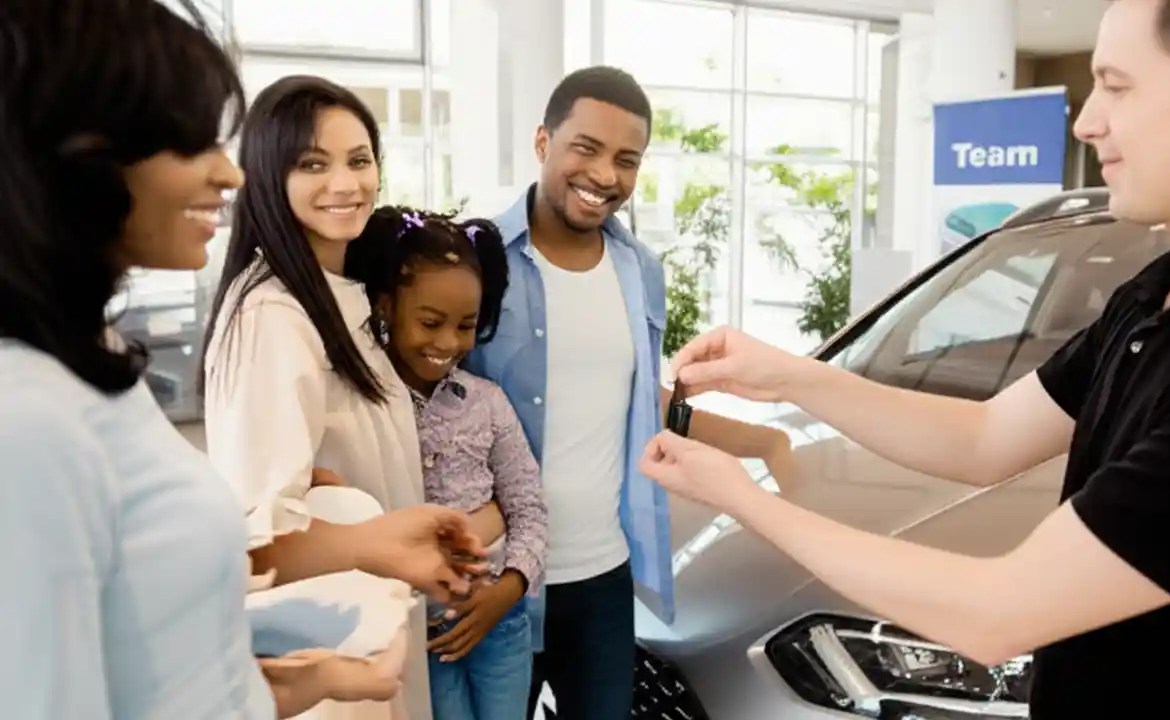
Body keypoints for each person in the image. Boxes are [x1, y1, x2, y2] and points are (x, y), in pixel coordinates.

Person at [641, 1, 1170, 718]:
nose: (1086, 120)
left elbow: (1003, 609)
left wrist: (743, 499)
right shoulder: (1150, 298)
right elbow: (983, 438)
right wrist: (792, 374)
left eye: (1118, 85)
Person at [0, 2, 484, 719]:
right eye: (189, 142)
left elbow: (162, 641)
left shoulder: (90, 368)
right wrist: (359, 538)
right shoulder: (31, 416)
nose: (229, 173)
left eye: (359, 159)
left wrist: (322, 658)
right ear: (73, 154)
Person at [464, 65, 796, 720]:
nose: (605, 177)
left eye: (626, 160)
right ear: (543, 143)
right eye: (585, 149)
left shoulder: (639, 269)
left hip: (602, 577)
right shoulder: (479, 260)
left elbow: (642, 398)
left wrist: (766, 441)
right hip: (497, 578)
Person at [201, 76, 501, 720]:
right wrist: (364, 528)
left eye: (359, 160)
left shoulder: (339, 293)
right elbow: (254, 538)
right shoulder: (274, 316)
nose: (346, 183)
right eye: (313, 163)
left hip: (375, 621)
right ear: (264, 175)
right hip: (329, 654)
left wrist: (357, 503)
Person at [346, 205, 549, 719]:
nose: (448, 343)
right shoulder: (366, 407)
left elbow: (529, 507)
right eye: (431, 322)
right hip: (419, 626)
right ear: (387, 306)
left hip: (501, 622)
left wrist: (509, 589)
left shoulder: (488, 402)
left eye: (466, 326)